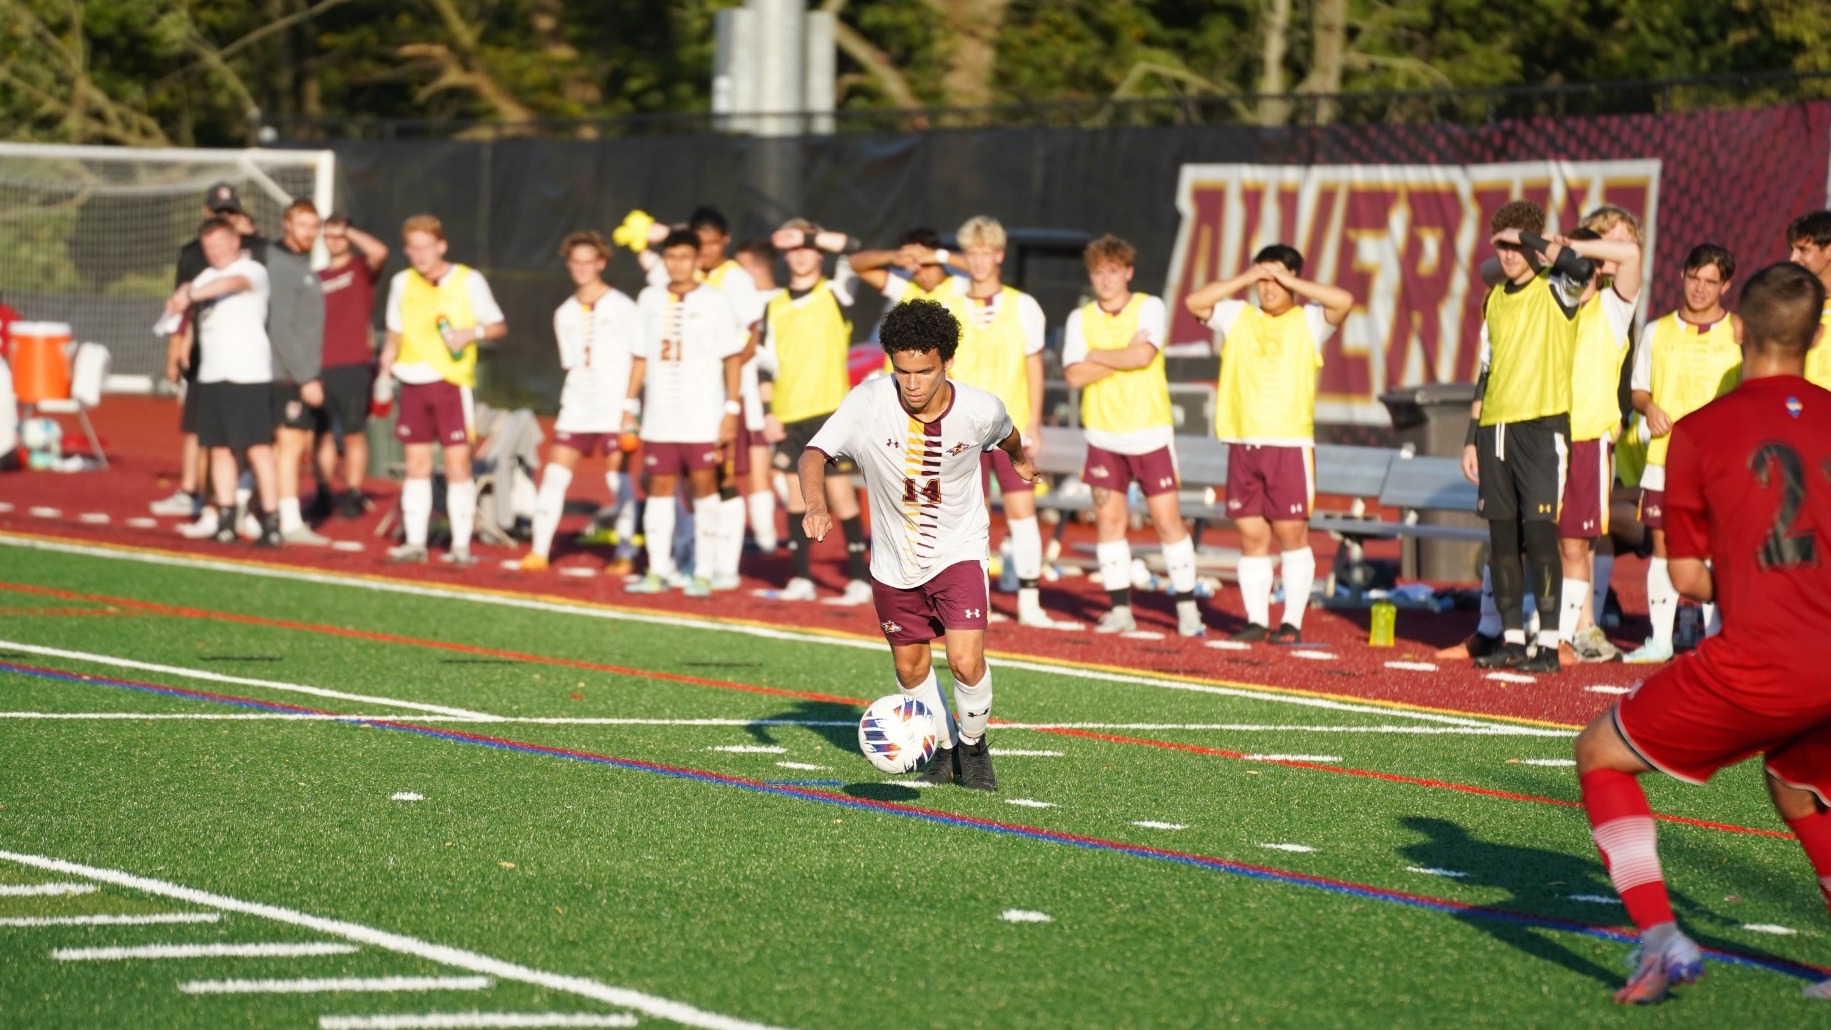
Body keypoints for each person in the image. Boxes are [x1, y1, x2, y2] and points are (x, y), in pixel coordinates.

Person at [1571, 261, 1831, 1005]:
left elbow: (1685, 580)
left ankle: (1658, 942)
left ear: (1739, 330)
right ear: (1814, 337)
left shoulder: (1699, 431)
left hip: (1764, 660)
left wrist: (1760, 586)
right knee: (1794, 783)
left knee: (1599, 753)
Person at [801, 298, 1036, 791]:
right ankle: (944, 748)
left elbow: (1008, 434)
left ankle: (973, 746)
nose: (912, 384)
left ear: (947, 362)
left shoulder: (978, 408)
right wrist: (815, 505)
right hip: (892, 558)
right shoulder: (867, 403)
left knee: (966, 660)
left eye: (924, 371)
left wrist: (1019, 460)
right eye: (902, 371)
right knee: (910, 667)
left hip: (959, 548)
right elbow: (814, 454)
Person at [1184, 245, 1353, 642]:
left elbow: (1343, 301)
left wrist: (1287, 279)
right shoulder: (1237, 315)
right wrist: (1248, 277)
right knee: (1250, 536)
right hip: (1242, 441)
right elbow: (1196, 301)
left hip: (1288, 444)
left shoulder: (1308, 320)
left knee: (1292, 533)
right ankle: (1256, 620)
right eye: (1264, 279)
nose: (1269, 287)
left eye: (1277, 278)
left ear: (1293, 278)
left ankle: (1291, 622)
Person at [1459, 200, 1587, 673]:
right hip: (1495, 429)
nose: (1509, 255)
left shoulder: (1557, 289)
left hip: (1542, 425)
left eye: (1518, 245)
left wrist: (1537, 244)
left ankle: (1550, 643)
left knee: (1540, 535)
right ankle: (1512, 639)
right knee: (1502, 541)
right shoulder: (1494, 297)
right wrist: (1472, 437)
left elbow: (1582, 268)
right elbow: (1485, 372)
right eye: (1502, 246)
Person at [1062, 234, 1204, 637]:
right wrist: (1124, 353)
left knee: (1166, 520)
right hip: (1103, 436)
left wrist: (1097, 356)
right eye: (1098, 272)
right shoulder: (1080, 318)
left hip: (1150, 433)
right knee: (1109, 522)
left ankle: (1188, 608)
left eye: (1113, 271)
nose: (1105, 280)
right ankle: (1120, 610)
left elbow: (1145, 356)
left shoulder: (1149, 307)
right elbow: (1073, 376)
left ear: (1128, 272)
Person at [943, 216, 1068, 629]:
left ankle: (1030, 601)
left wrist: (1034, 420)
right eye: (972, 253)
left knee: (1022, 511)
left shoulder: (1023, 305)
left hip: (1009, 429)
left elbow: (1034, 364)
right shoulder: (950, 302)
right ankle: (974, 600)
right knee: (968, 518)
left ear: (999, 255)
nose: (979, 262)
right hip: (961, 428)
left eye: (986, 253)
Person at [1621, 244, 1740, 664]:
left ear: (1726, 285)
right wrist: (1648, 407)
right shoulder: (1656, 331)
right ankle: (1660, 641)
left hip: (1720, 465)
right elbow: (1638, 390)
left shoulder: (1740, 331)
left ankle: (1717, 641)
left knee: (1715, 548)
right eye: (1695, 277)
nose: (1701, 288)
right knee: (1664, 545)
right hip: (1664, 461)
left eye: (1711, 281)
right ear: (1682, 275)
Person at [377, 214, 508, 565]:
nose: (420, 255)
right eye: (413, 248)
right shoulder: (402, 282)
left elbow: (497, 326)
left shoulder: (468, 280)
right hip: (412, 383)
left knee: (457, 463)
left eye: (426, 247)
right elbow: (394, 332)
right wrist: (386, 367)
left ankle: (460, 547)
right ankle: (415, 542)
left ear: (441, 246)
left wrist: (471, 333)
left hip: (451, 382)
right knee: (416, 463)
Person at [757, 219, 873, 605]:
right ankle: (802, 577)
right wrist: (768, 412)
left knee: (840, 495)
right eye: (792, 250)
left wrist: (804, 235)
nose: (801, 254)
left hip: (829, 412)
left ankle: (858, 579)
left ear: (820, 252)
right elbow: (765, 365)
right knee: (794, 496)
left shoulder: (836, 291)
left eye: (807, 247)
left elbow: (854, 247)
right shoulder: (772, 304)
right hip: (788, 413)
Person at [623, 229, 744, 595]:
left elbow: (732, 358)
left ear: (697, 259)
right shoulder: (648, 298)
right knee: (659, 488)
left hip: (702, 417)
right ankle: (658, 570)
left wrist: (731, 410)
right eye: (670, 256)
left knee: (705, 488)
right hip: (660, 416)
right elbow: (640, 356)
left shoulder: (715, 300)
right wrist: (629, 406)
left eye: (684, 256)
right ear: (663, 259)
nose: (677, 263)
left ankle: (704, 571)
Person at [1550, 211, 1646, 663]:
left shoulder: (1611, 306)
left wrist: (1579, 248)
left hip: (1588, 439)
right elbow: (1496, 262)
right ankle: (1574, 624)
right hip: (1545, 436)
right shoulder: (1553, 304)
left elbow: (1629, 256)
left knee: (1578, 539)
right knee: (1555, 538)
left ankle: (1577, 630)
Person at [520, 231, 642, 573]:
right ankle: (539, 552)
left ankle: (624, 553)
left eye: (589, 262)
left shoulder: (622, 306)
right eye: (576, 262)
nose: (582, 268)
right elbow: (571, 364)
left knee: (618, 481)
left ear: (601, 263)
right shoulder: (564, 313)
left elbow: (639, 358)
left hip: (615, 408)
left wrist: (629, 407)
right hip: (576, 409)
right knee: (555, 476)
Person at [162, 217, 281, 547]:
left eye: (219, 246)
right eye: (208, 248)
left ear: (234, 243)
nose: (214, 253)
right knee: (218, 449)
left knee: (257, 448)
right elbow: (186, 305)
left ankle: (272, 518)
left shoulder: (252, 269)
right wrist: (179, 307)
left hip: (248, 374)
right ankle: (225, 516)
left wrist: (192, 293)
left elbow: (232, 284)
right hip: (212, 374)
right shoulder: (205, 275)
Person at [314, 214, 390, 520]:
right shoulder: (315, 277)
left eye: (340, 235)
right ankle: (322, 492)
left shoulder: (360, 269)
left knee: (353, 433)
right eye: (329, 235)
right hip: (320, 365)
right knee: (322, 435)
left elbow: (380, 253)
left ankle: (353, 492)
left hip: (353, 364)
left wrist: (347, 231)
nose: (334, 241)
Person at [267, 200, 329, 546]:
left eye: (314, 225)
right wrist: (305, 376)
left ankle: (257, 510)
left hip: (298, 370)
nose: (310, 232)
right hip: (286, 373)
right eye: (303, 225)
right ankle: (288, 522)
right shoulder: (281, 268)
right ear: (287, 225)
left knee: (292, 444)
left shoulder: (301, 266)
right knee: (289, 446)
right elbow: (281, 327)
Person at [734, 237, 782, 553]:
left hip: (777, 395)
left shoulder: (779, 299)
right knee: (763, 466)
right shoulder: (738, 298)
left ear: (757, 266)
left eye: (740, 267)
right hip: (744, 392)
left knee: (774, 466)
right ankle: (766, 540)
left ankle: (769, 539)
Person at [851, 227, 961, 306]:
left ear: (939, 262)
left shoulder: (962, 285)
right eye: (915, 269)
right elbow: (854, 264)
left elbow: (976, 266)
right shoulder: (905, 286)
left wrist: (941, 255)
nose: (923, 275)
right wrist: (892, 256)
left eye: (927, 265)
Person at [1786, 210, 1831, 391]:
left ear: (1829, 251)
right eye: (1793, 250)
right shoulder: (1790, 308)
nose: (1793, 258)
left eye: (1803, 250)